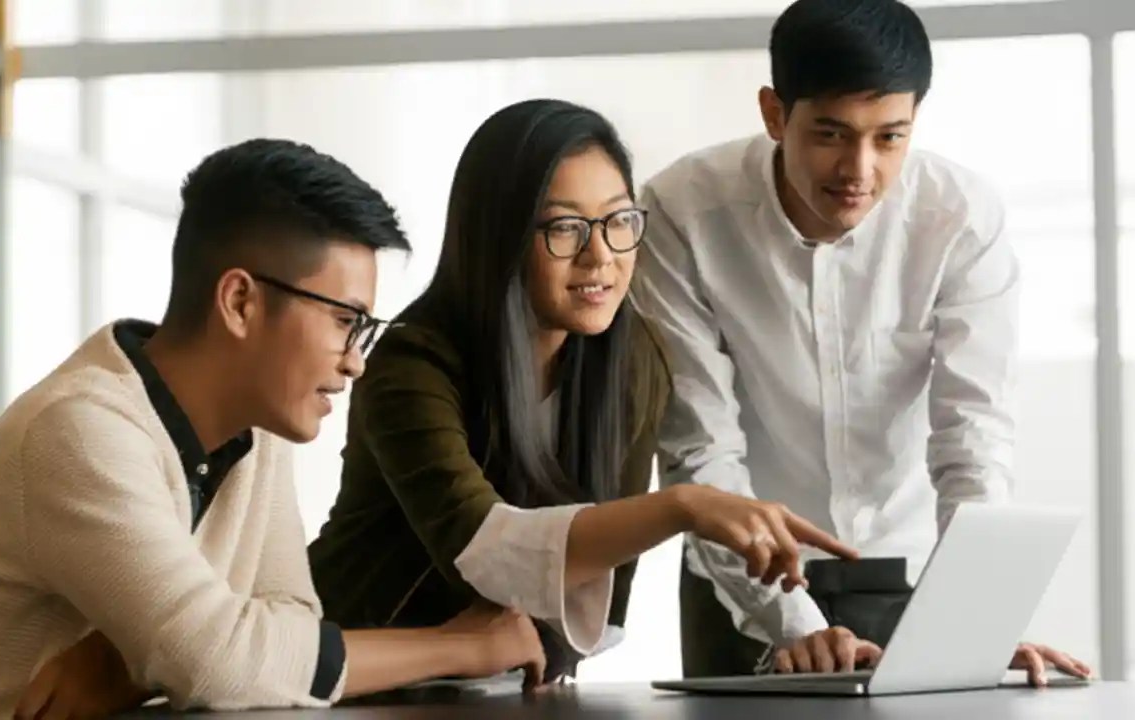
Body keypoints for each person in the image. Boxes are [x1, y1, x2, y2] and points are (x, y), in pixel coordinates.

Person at [0, 139, 550, 720]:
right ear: (239, 302)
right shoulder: (80, 432)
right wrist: (464, 647)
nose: (356, 360)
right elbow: (218, 660)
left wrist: (128, 662)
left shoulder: (257, 435)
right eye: (345, 321)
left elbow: (285, 622)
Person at [308, 98, 856, 682]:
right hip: (358, 671)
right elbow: (487, 552)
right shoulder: (413, 360)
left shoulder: (633, 356)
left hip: (512, 681)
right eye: (565, 227)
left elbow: (593, 591)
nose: (601, 257)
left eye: (619, 221)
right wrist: (681, 507)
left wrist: (802, 631)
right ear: (501, 233)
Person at [633, 0, 1093, 685]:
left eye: (890, 137)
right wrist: (793, 624)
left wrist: (978, 617)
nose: (860, 169)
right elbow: (698, 446)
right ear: (773, 114)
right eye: (830, 133)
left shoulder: (960, 216)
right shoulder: (681, 213)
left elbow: (975, 433)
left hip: (918, 581)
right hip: (742, 586)